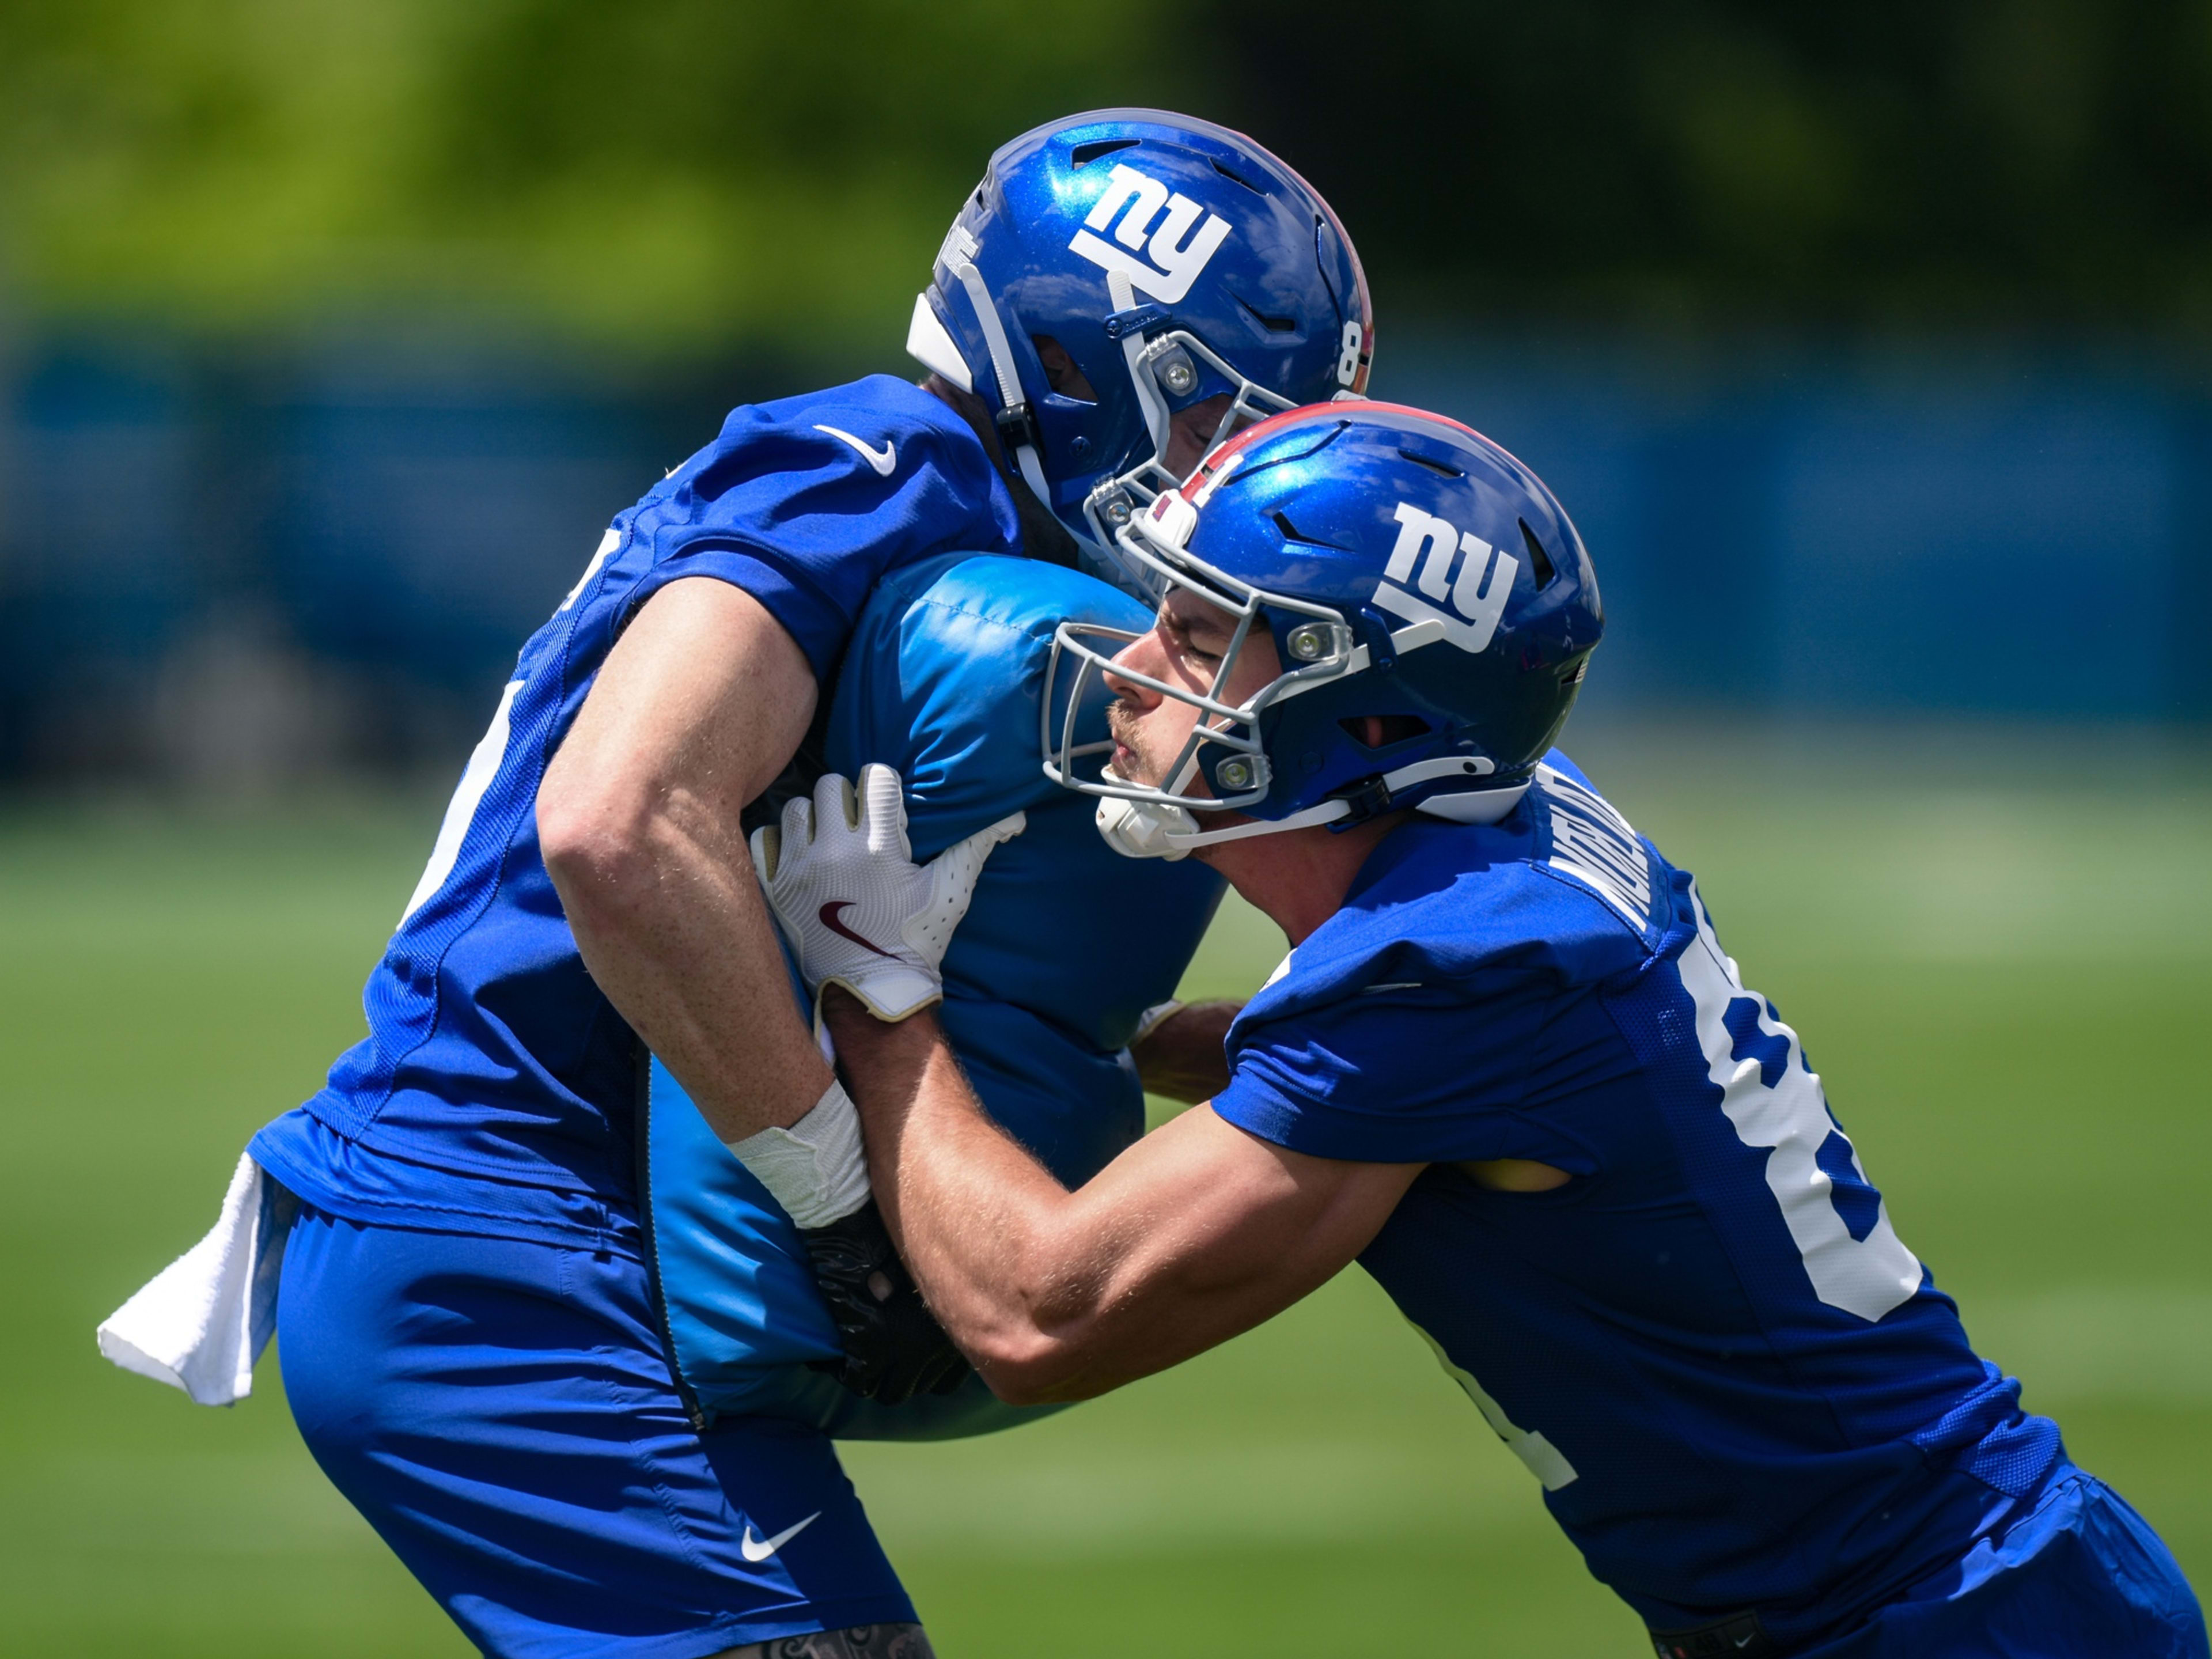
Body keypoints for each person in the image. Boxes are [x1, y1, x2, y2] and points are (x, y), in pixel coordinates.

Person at [104, 111, 1371, 1659]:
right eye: (1215, 426)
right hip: (502, 1233)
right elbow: (622, 824)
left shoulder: (935, 508)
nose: (1225, 480)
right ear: (1088, 359)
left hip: (537, 1229)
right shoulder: (881, 464)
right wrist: (840, 1197)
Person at [759, 402, 2211, 1658]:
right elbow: (1336, 1057)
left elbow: (1040, 1312)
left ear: (1369, 719)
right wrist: (1124, 1035)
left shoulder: (1457, 972)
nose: (1141, 671)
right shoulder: (1489, 850)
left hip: (1945, 1623)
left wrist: (881, 1002)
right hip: (1954, 1591)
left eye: (1204, 636)